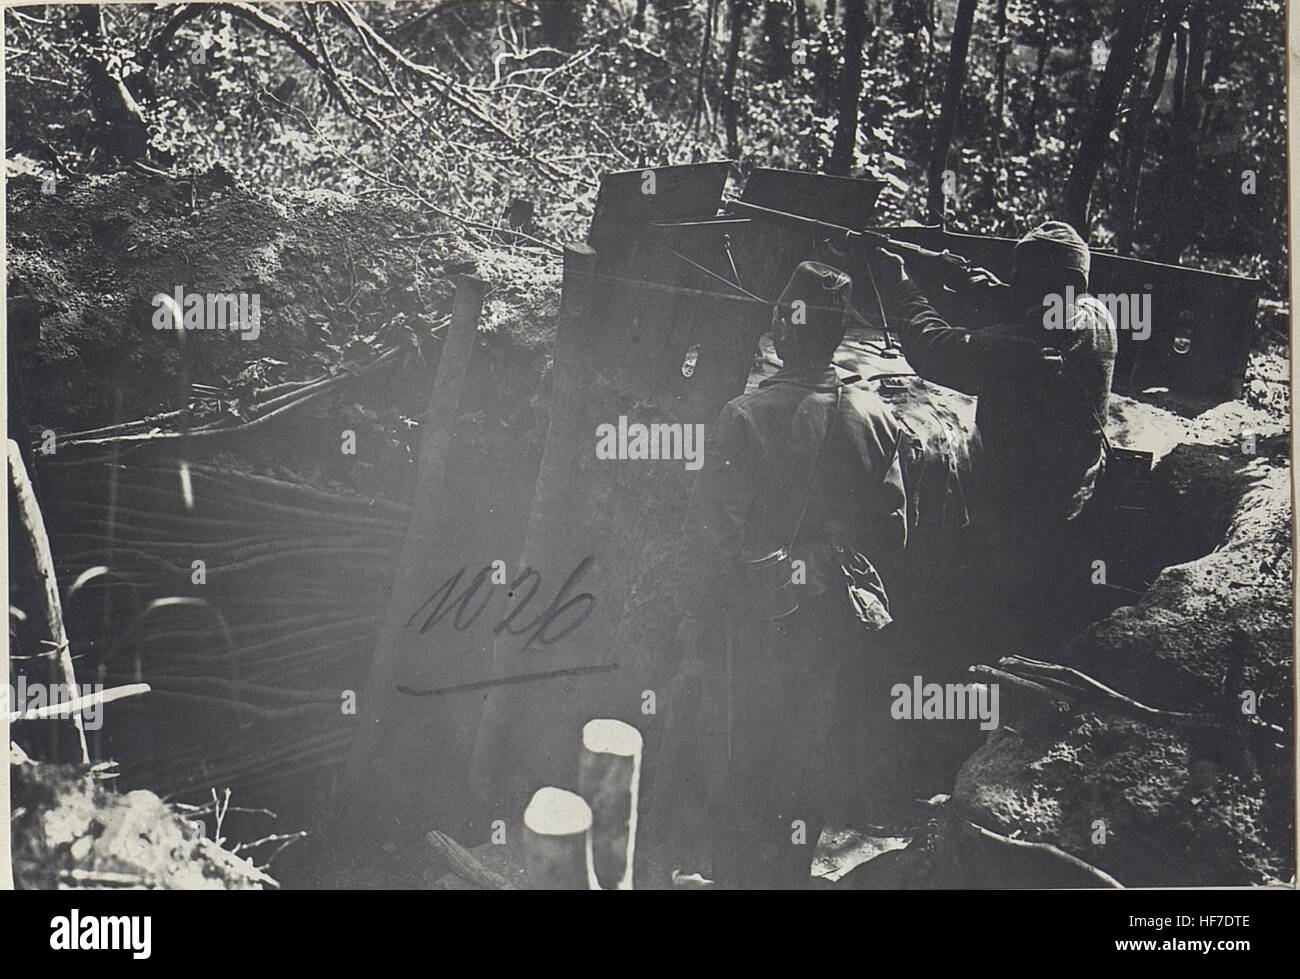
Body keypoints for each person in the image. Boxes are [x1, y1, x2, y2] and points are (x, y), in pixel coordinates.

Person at [658, 261, 908, 889]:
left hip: (758, 616)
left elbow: (711, 538)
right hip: (836, 614)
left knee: (738, 754)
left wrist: (689, 619)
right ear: (836, 335)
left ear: (781, 328)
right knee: (811, 752)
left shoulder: (745, 415)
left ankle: (736, 878)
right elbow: (892, 533)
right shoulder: (877, 417)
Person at [873, 220, 1118, 652]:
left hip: (1024, 503)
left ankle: (983, 657)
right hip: (1072, 487)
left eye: (1023, 277)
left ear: (1041, 285)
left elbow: (935, 347)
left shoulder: (1032, 346)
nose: (1014, 284)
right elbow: (1011, 301)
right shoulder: (1092, 313)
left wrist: (902, 284)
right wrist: (955, 273)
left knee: (993, 602)